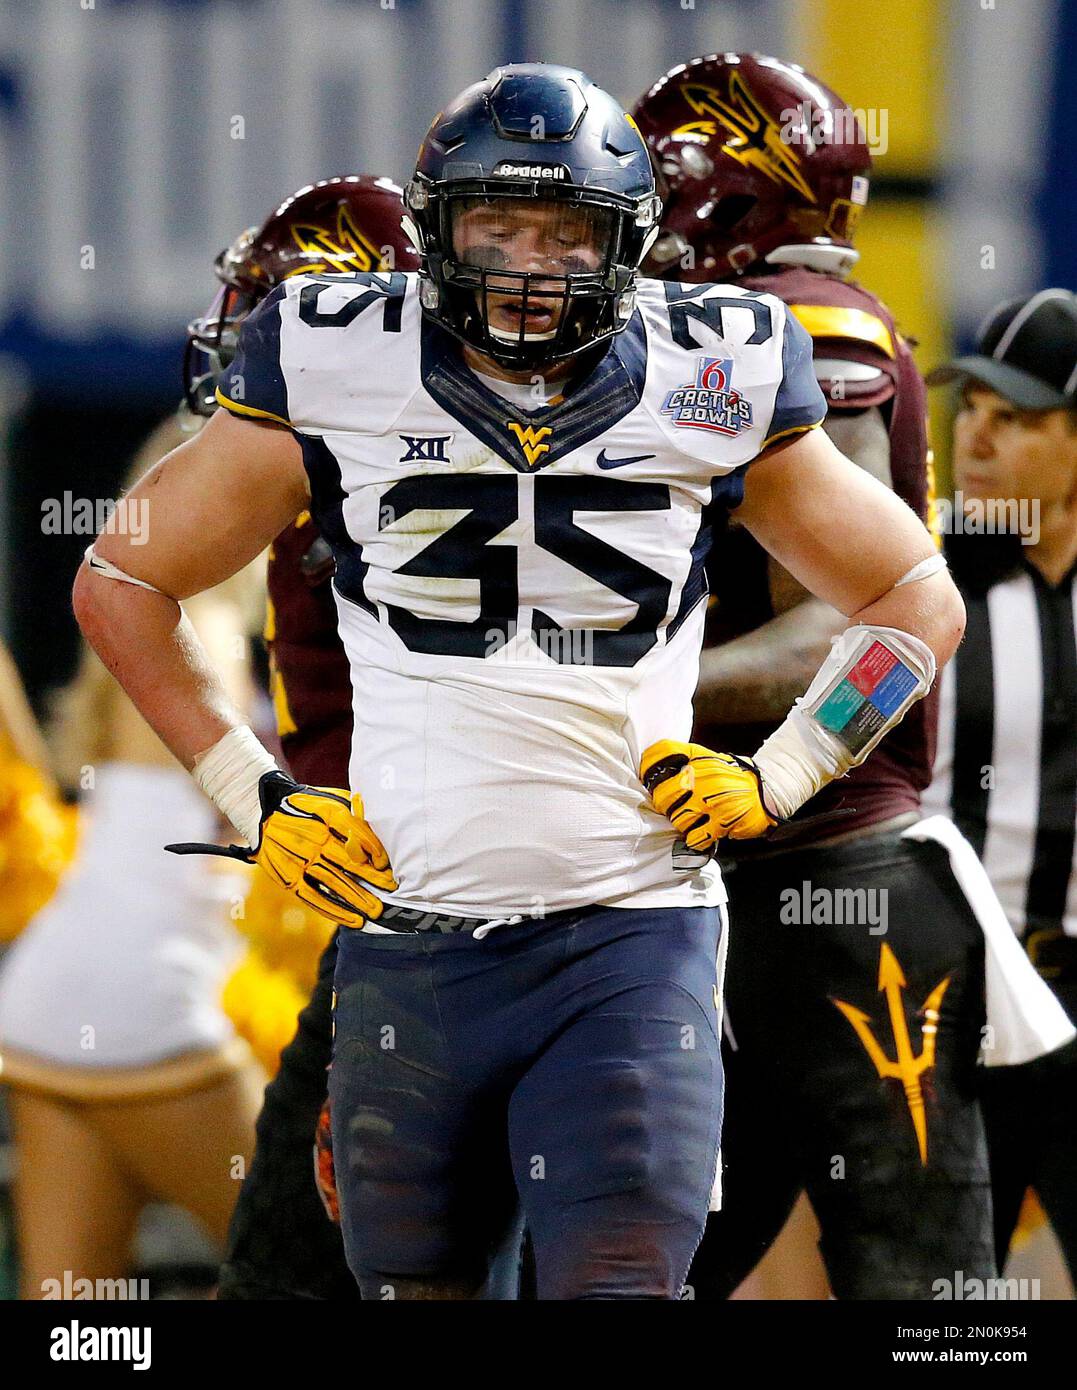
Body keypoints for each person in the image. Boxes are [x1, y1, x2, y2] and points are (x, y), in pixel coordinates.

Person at [72, 63, 962, 1301]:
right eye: (496, 226)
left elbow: (917, 597)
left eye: (566, 231)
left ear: (632, 245)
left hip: (631, 935)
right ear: (435, 232)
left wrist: (785, 774)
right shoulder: (335, 354)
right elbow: (120, 584)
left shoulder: (720, 363)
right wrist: (257, 792)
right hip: (409, 939)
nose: (528, 265)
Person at [634, 52, 1071, 1300]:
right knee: (643, 1269)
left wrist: (627, 700)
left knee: (924, 1289)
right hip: (723, 892)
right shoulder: (729, 326)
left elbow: (847, 620)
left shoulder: (800, 325)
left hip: (840, 881)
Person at [184, 173, 418, 1301]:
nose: (242, 364)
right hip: (383, 923)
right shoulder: (315, 490)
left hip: (467, 930)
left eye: (273, 326)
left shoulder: (427, 493)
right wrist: (265, 799)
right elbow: (120, 587)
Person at [0, 430, 266, 1298]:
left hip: (46, 1004)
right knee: (312, 1276)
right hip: (148, 993)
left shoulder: (123, 623)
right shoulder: (198, 625)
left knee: (76, 1319)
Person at [923, 288, 1077, 1281]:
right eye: (970, 406)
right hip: (952, 1002)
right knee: (940, 1297)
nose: (975, 437)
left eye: (1014, 419)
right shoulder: (919, 576)